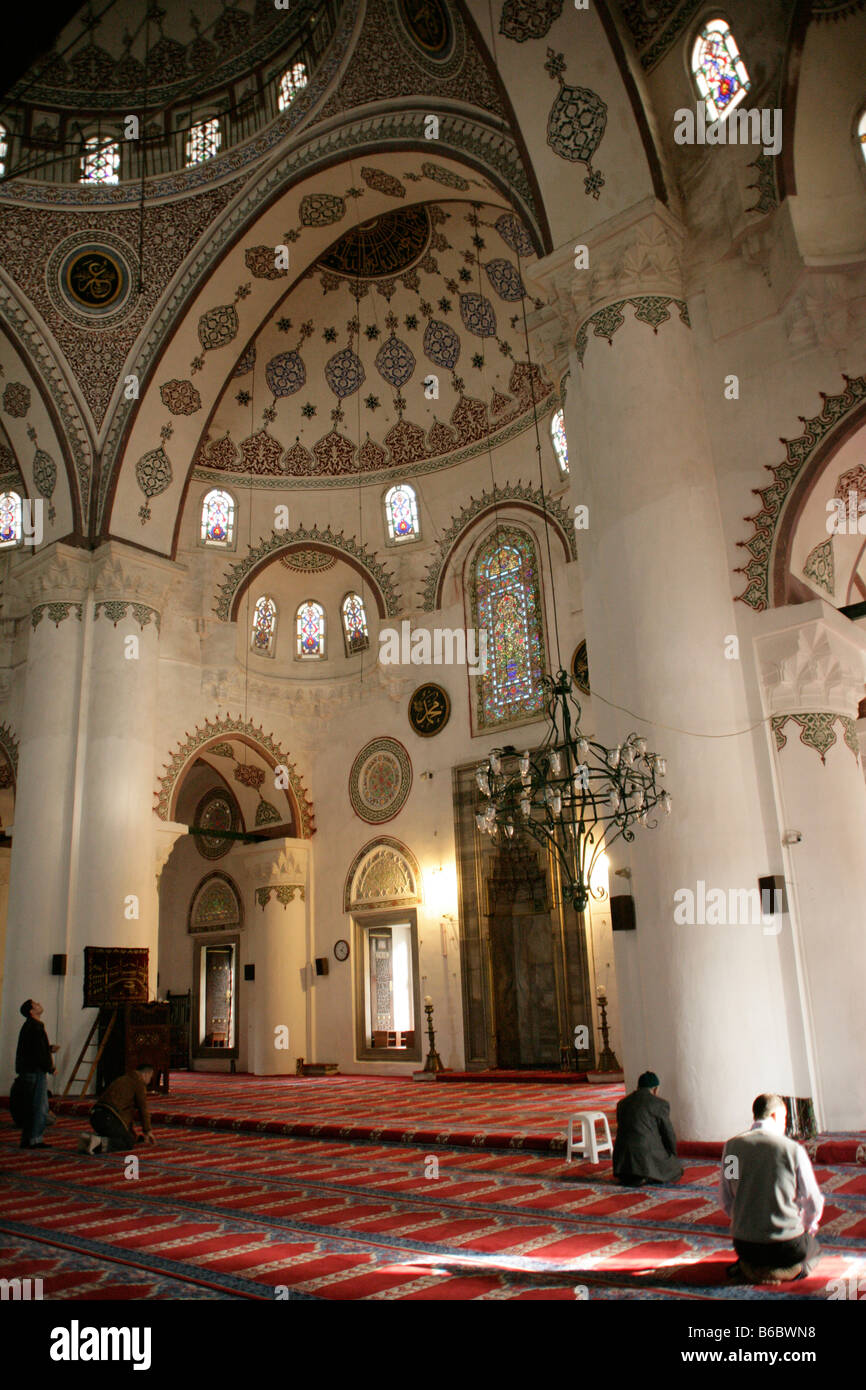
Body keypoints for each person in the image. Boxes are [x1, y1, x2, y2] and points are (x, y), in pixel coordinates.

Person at [720, 1093, 824, 1283]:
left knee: (753, 1254)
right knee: (814, 1250)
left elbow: (728, 1197)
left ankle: (750, 1267)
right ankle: (791, 1271)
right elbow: (812, 1200)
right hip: (785, 1245)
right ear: (776, 1116)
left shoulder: (732, 1148)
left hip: (745, 1245)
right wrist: (808, 1226)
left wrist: (746, 1223)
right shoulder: (791, 1150)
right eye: (784, 1119)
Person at [612, 1070, 684, 1185]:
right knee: (676, 1169)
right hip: (644, 1157)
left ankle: (633, 1175)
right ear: (655, 1089)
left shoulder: (622, 1103)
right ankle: (645, 1175)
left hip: (621, 1162)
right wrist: (672, 1155)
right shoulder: (660, 1104)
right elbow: (668, 1133)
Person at [79, 1062, 157, 1154]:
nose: (150, 1080)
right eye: (150, 1077)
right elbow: (143, 1108)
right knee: (127, 1143)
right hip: (109, 1118)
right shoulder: (138, 1083)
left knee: (124, 1137)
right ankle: (98, 1143)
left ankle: (89, 1141)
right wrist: (147, 1130)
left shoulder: (123, 1079)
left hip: (95, 1116)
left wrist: (132, 1135)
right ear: (146, 1074)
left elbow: (127, 1113)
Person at [15, 1000, 60, 1149]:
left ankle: (28, 1139)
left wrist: (49, 1048)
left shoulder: (29, 1026)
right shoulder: (36, 1026)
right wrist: (50, 1067)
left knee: (32, 1106)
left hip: (28, 1070)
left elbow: (34, 1048)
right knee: (39, 1106)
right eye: (35, 1004)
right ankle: (35, 1139)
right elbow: (38, 1053)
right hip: (35, 1071)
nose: (39, 1004)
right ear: (32, 1011)